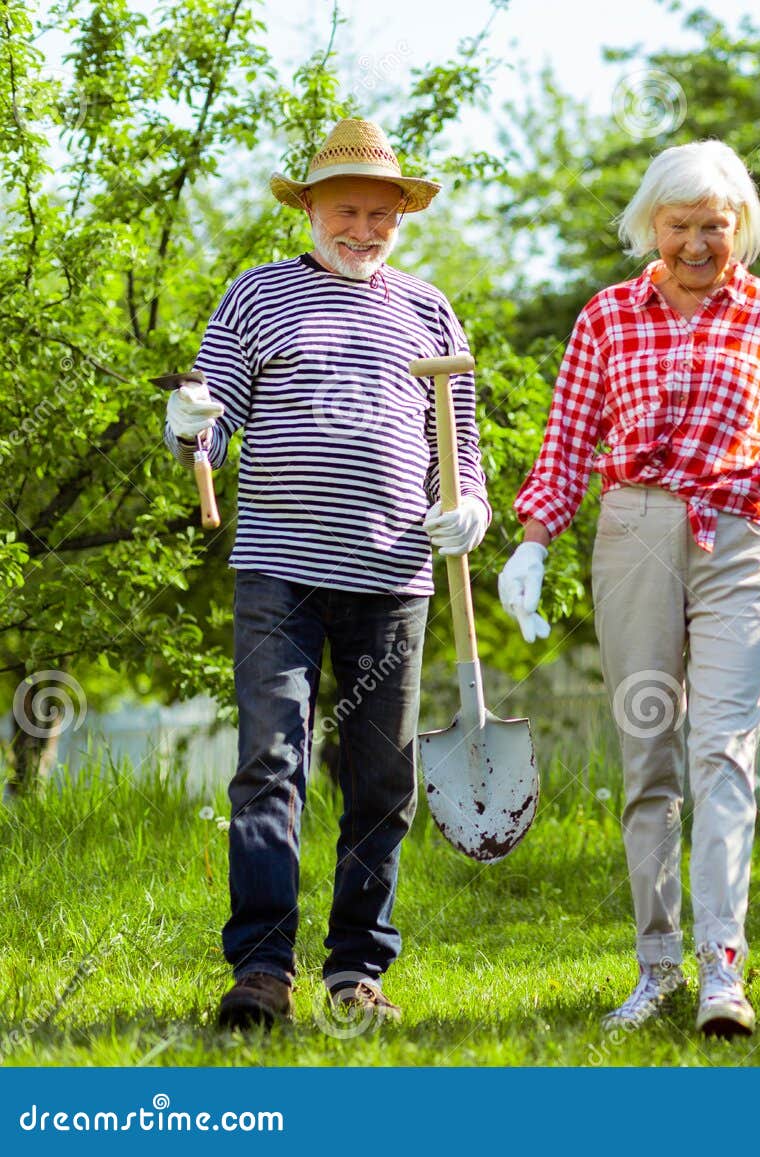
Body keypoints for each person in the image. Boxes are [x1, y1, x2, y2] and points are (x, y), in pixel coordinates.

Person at [497, 139, 760, 1037]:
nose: (698, 243)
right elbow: (566, 443)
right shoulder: (606, 316)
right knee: (649, 754)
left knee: (724, 753)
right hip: (635, 531)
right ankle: (656, 965)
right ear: (650, 226)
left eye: (716, 225)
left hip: (741, 535)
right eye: (679, 225)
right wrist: (533, 543)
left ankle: (722, 970)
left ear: (741, 225)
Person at [163, 118, 491, 1030]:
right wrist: (187, 426)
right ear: (309, 207)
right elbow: (209, 423)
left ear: (401, 218)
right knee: (271, 762)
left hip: (394, 575)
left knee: (383, 777)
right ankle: (263, 968)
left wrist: (470, 506)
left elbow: (458, 441)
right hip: (280, 572)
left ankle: (357, 970)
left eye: (381, 215)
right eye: (346, 211)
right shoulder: (257, 295)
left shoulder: (430, 311)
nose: (363, 229)